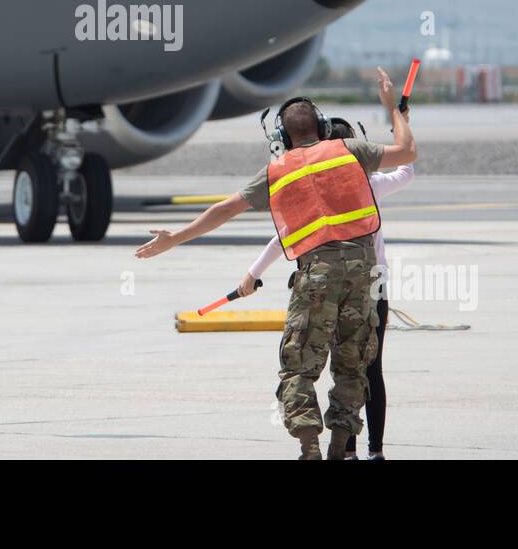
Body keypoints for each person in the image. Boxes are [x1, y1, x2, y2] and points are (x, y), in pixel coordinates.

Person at [136, 67, 416, 459]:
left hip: (316, 276)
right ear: (321, 126)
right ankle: (342, 448)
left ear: (281, 138)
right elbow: (407, 156)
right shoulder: (350, 152)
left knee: (299, 367)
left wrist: (175, 239)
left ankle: (309, 448)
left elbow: (224, 210)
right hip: (365, 277)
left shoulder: (276, 172)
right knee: (353, 368)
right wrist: (394, 111)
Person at [237, 111, 413, 460]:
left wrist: (252, 274)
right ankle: (365, 449)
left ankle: (322, 448)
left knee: (305, 365)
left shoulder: (317, 185)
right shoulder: (371, 183)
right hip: (370, 289)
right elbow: (406, 167)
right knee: (361, 369)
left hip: (324, 286)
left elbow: (282, 237)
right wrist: (400, 119)